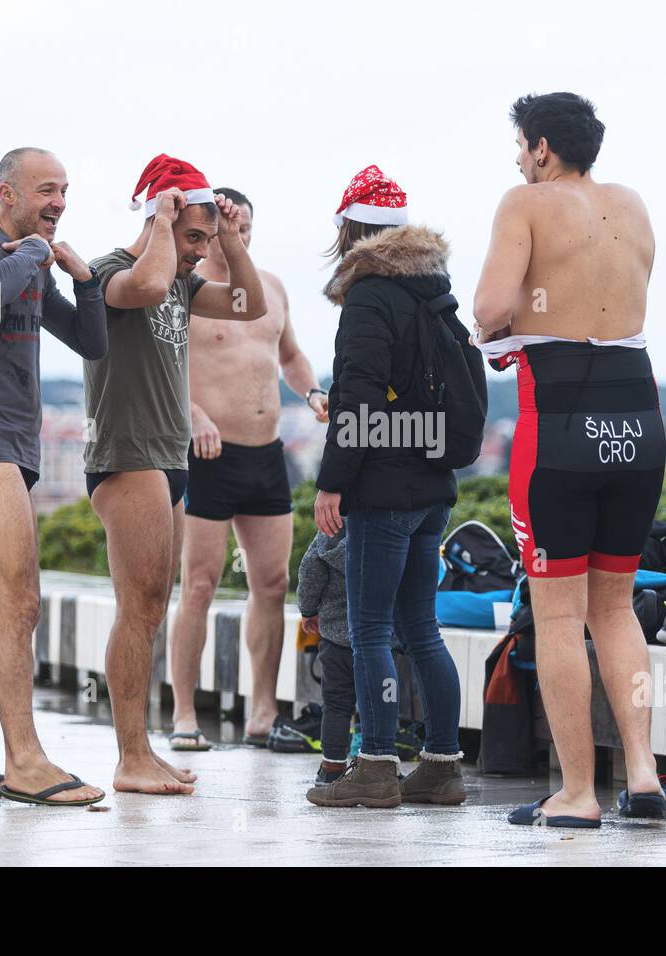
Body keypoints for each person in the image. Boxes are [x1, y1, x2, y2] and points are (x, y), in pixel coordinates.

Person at [472, 93, 666, 826]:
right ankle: (644, 777)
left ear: (544, 148)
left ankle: (579, 793)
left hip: (559, 417)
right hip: (638, 416)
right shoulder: (634, 204)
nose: (518, 159)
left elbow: (491, 309)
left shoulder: (525, 203)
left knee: (558, 616)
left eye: (521, 146)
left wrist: (502, 331)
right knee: (617, 609)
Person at [83, 154, 267, 790]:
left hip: (170, 459)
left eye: (205, 240)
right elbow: (149, 286)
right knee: (137, 609)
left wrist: (232, 241)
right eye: (194, 237)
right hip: (127, 457)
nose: (198, 252)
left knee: (151, 608)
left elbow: (247, 303)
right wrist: (163, 224)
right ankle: (130, 757)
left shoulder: (185, 280)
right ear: (159, 216)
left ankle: (143, 747)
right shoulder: (110, 272)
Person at [0, 147, 109, 807]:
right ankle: (27, 762)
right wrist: (36, 253)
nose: (59, 202)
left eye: (64, 191)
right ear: (7, 193)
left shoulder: (27, 262)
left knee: (6, 613)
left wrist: (86, 281)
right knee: (20, 606)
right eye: (46, 190)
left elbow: (90, 343)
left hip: (12, 449)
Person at [306, 165, 484, 809]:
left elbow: (355, 396)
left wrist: (333, 484)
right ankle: (441, 767)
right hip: (433, 491)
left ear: (351, 230)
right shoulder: (436, 295)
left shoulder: (369, 297)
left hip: (380, 492)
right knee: (423, 628)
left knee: (372, 630)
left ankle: (377, 764)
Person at [171, 186, 329, 752]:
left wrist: (312, 392)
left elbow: (289, 356)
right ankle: (185, 712)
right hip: (208, 454)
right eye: (230, 232)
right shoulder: (187, 290)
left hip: (266, 454)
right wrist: (193, 416)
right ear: (210, 233)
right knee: (200, 585)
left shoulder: (271, 290)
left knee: (273, 583)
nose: (240, 241)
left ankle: (264, 709)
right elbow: (163, 369)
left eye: (248, 232)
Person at [295, 526, 352, 784]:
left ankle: (332, 767)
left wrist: (307, 610)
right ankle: (380, 759)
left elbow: (310, 570)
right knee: (377, 701)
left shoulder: (333, 529)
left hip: (336, 637)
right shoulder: (388, 527)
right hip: (380, 640)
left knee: (336, 705)